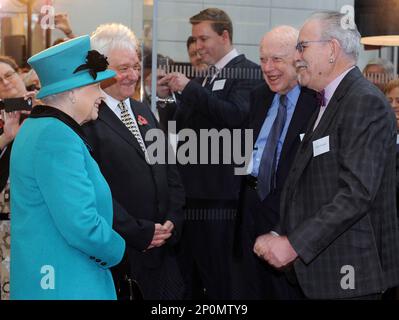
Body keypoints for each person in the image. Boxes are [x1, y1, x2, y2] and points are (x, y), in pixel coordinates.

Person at [256, 11, 399, 300]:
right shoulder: (326, 100)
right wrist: (280, 233)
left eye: (302, 47)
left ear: (332, 50)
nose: (297, 57)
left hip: (351, 273)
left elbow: (356, 193)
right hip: (326, 271)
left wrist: (293, 244)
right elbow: (308, 183)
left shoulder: (363, 102)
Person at [10, 35, 125, 300]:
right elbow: (81, 223)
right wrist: (118, 249)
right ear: (72, 92)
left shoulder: (41, 129)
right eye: (95, 86)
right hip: (66, 284)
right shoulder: (56, 136)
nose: (101, 94)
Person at [159, 8, 263, 299]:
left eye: (203, 38)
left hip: (222, 197)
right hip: (193, 194)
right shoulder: (206, 79)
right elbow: (181, 127)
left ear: (225, 36)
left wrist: (190, 88)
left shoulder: (248, 72)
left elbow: (235, 116)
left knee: (222, 280)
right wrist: (168, 99)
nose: (198, 46)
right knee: (192, 275)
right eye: (194, 39)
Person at [82, 23, 185, 300]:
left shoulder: (143, 111)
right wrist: (139, 232)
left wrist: (172, 219)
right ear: (101, 69)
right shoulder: (87, 117)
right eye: (123, 68)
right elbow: (92, 189)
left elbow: (168, 169)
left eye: (136, 66)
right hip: (120, 254)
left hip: (164, 251)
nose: (134, 76)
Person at [234, 26, 317, 300]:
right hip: (249, 205)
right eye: (263, 60)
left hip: (289, 213)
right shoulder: (259, 96)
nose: (268, 68)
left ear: (298, 58)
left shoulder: (316, 102)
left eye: (277, 60)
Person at [0, 55, 37, 300]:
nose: (5, 83)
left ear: (20, 75)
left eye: (9, 75)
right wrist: (6, 137)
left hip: (39, 223)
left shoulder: (48, 108)